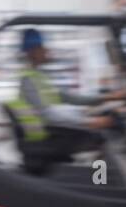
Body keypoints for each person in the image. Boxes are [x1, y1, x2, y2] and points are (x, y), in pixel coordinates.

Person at [7, 27, 115, 169]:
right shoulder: (28, 79)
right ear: (33, 52)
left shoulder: (38, 76)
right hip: (46, 135)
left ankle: (99, 179)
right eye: (43, 48)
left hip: (51, 130)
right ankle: (100, 180)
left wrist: (103, 99)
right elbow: (48, 114)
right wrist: (89, 121)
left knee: (97, 134)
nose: (47, 52)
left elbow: (64, 98)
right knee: (98, 138)